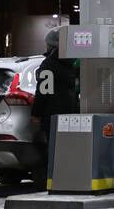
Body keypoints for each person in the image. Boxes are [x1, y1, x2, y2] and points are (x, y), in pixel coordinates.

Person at [31, 29, 80, 162]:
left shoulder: (49, 64)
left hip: (52, 116)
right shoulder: (73, 64)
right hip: (71, 114)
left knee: (53, 152)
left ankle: (53, 179)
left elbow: (43, 91)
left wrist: (36, 113)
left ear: (51, 46)